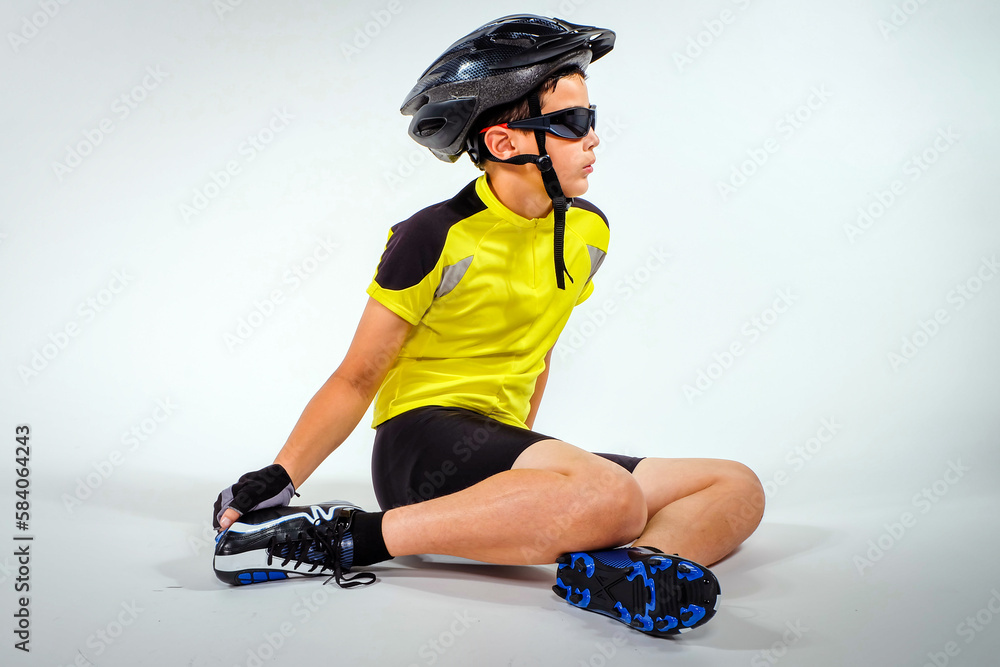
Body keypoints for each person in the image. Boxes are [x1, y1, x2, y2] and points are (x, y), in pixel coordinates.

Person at [212, 15, 764, 636]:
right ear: (504, 145)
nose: (594, 139)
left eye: (593, 118)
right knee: (614, 497)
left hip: (496, 441)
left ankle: (626, 571)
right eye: (573, 123)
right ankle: (348, 536)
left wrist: (529, 474)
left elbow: (540, 353)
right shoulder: (432, 235)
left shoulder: (588, 232)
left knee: (733, 485)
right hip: (418, 444)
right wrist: (281, 474)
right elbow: (358, 375)